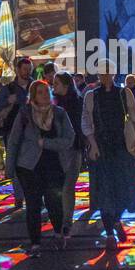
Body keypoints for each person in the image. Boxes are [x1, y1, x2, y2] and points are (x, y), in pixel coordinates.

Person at [7, 79, 75, 253]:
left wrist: (47, 143)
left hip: (54, 165)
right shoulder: (25, 114)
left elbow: (69, 139)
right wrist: (10, 167)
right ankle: (35, 241)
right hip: (28, 166)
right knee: (33, 204)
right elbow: (14, 141)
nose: (44, 95)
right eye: (40, 92)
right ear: (33, 96)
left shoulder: (59, 113)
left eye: (46, 91)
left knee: (54, 202)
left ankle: (58, 233)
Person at [82, 65, 135, 246]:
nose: (105, 75)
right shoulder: (91, 95)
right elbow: (86, 121)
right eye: (102, 72)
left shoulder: (124, 93)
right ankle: (110, 232)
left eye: (108, 71)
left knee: (123, 187)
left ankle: (116, 219)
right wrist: (93, 144)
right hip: (101, 147)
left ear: (113, 73)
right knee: (104, 190)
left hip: (121, 146)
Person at [0, 57, 34, 207]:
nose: (27, 73)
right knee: (16, 163)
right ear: (18, 70)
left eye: (29, 70)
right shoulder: (8, 88)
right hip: (12, 131)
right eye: (25, 69)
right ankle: (18, 196)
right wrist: (8, 101)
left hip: (33, 131)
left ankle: (32, 194)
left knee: (33, 162)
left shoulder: (34, 86)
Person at [52, 72, 83, 236]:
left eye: (57, 83)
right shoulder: (53, 103)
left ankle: (66, 222)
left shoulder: (76, 103)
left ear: (66, 85)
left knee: (68, 185)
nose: (53, 86)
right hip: (56, 149)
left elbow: (79, 127)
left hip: (72, 148)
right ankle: (61, 219)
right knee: (60, 186)